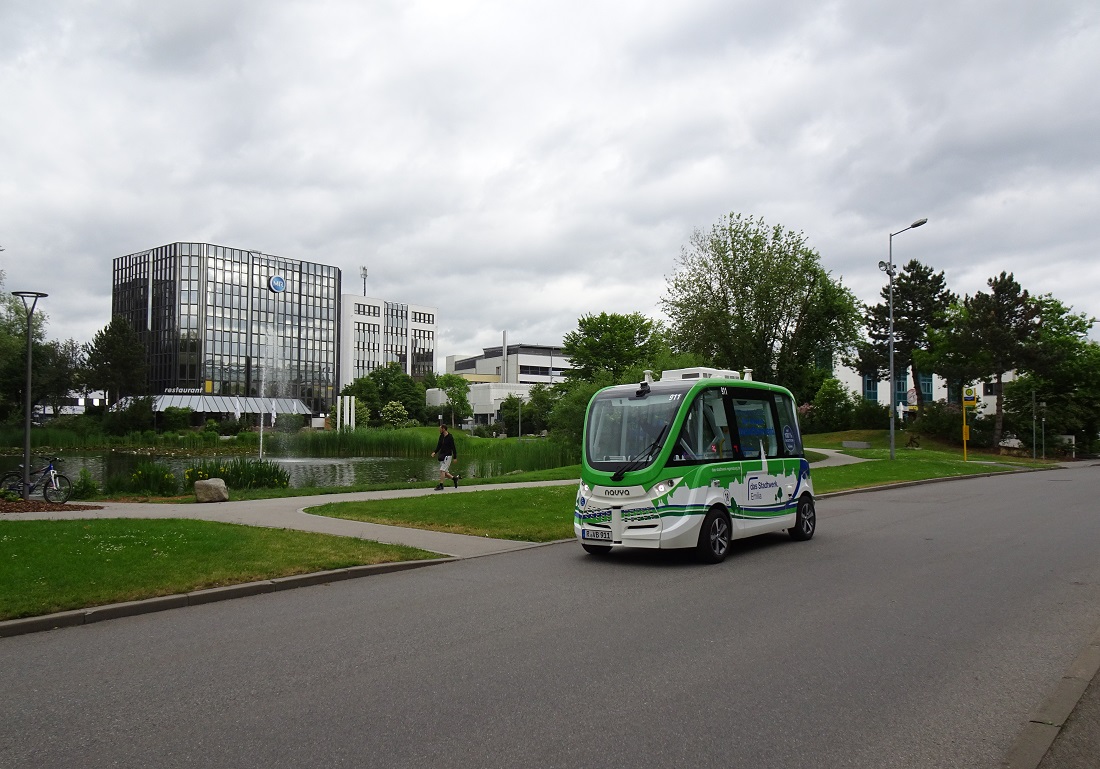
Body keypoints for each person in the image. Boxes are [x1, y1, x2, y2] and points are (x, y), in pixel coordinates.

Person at [431, 423, 459, 490]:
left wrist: (455, 457)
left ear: (443, 429)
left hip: (448, 456)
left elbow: (453, 447)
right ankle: (455, 479)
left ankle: (441, 485)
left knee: (442, 470)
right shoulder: (441, 436)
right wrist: (435, 452)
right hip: (442, 456)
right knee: (445, 472)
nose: (439, 430)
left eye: (440, 429)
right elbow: (439, 445)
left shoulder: (450, 437)